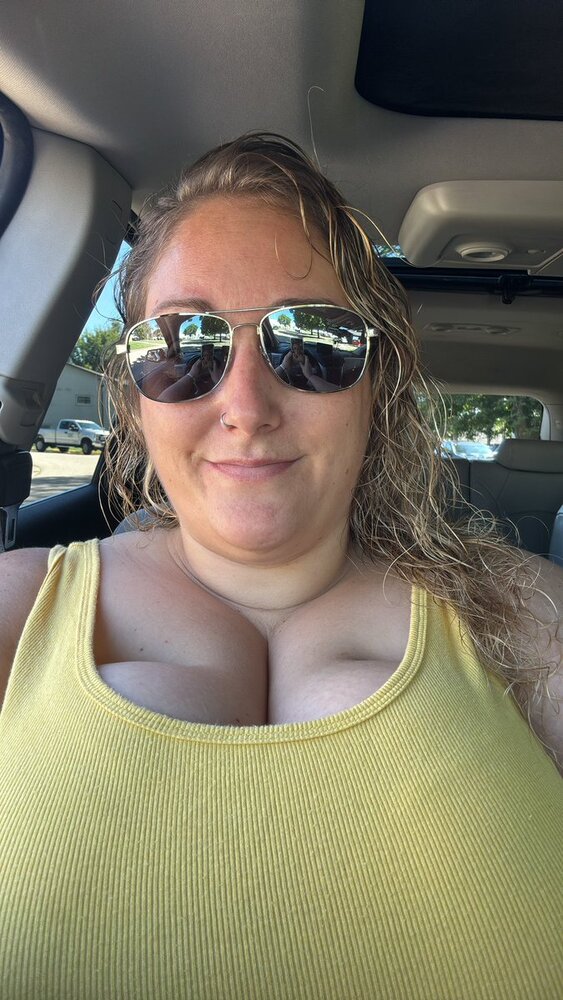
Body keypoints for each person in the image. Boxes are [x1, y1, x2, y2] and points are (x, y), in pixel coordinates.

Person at [0, 132, 561, 999]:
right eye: (182, 346)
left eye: (313, 341)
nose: (247, 406)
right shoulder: (20, 603)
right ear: (135, 400)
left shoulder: (524, 614)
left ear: (375, 385)